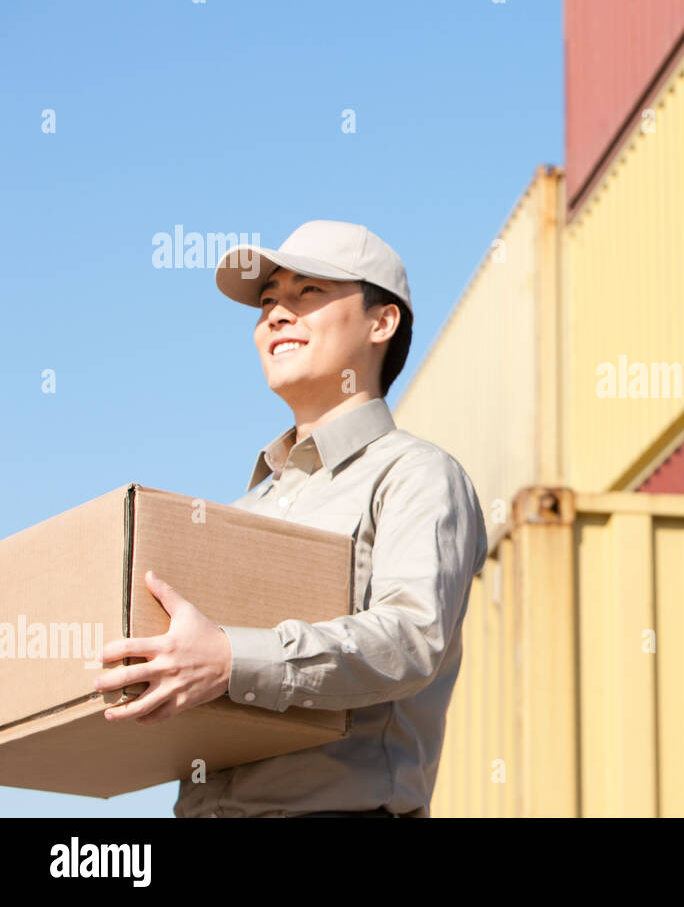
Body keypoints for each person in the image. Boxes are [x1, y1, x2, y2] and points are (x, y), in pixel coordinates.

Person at [94, 219, 488, 817]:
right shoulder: (241, 511)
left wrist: (232, 660)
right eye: (269, 300)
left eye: (307, 293)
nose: (276, 314)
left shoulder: (415, 474)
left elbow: (412, 638)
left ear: (382, 323)